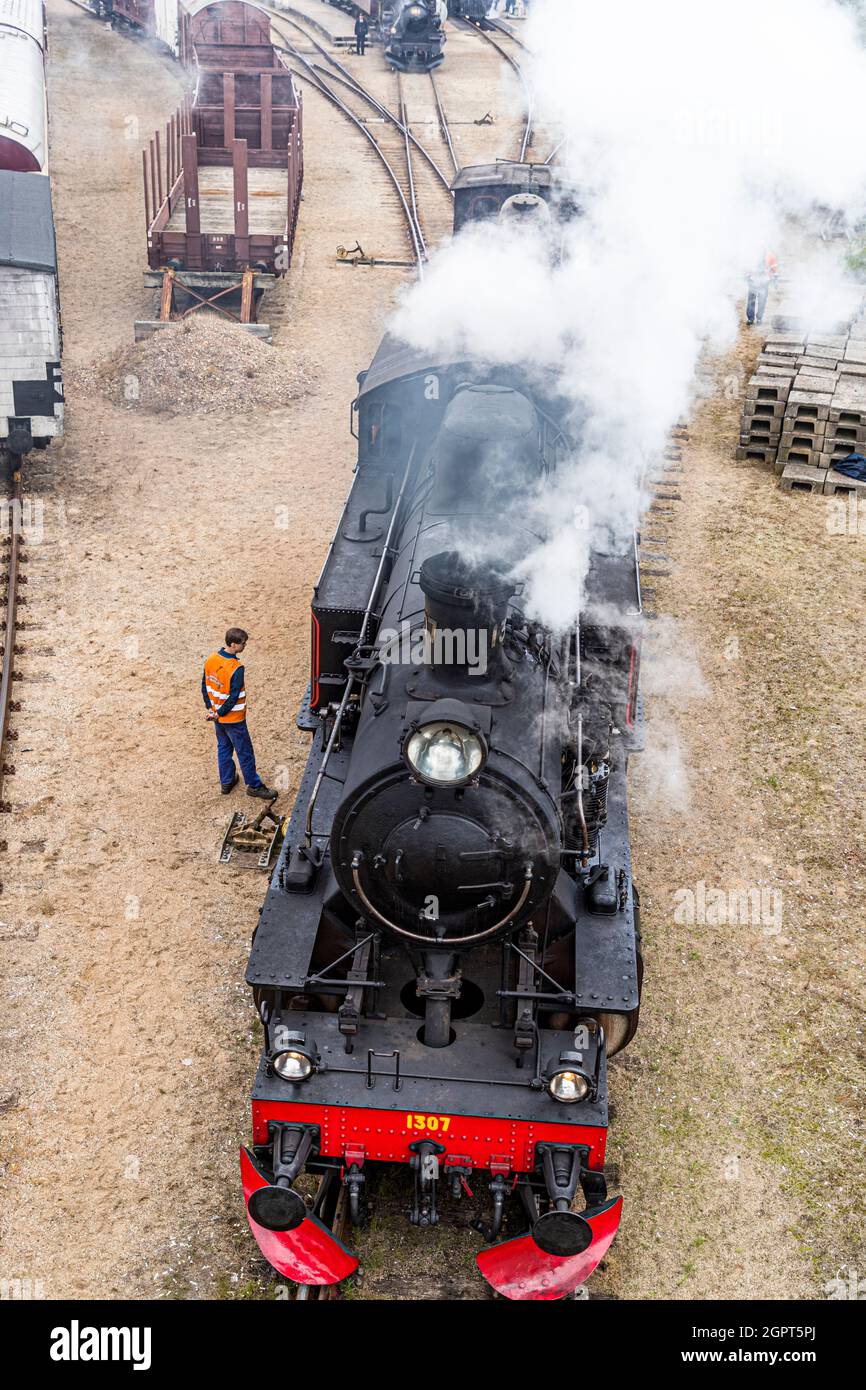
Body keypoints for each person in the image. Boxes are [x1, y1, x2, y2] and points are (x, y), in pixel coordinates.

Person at [202, 627, 275, 798]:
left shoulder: (211, 659)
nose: (245, 646)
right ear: (233, 645)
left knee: (223, 748)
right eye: (243, 644)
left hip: (217, 716)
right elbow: (233, 697)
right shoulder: (236, 668)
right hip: (233, 719)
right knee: (245, 752)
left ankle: (227, 782)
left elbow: (204, 685)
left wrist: (212, 710)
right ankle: (254, 786)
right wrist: (220, 713)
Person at [746, 250, 778, 326]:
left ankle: (759, 318)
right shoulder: (751, 254)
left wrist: (776, 279)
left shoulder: (770, 256)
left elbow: (774, 269)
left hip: (764, 281)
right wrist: (747, 277)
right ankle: (750, 319)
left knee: (762, 301)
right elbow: (747, 267)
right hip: (753, 280)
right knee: (751, 301)